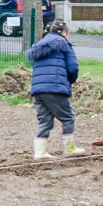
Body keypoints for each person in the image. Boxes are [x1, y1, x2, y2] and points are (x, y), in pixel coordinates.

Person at [26, 20, 80, 158]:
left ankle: (40, 152)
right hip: (55, 88)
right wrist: (70, 81)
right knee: (68, 117)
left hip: (37, 89)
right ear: (64, 33)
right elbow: (73, 67)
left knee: (45, 120)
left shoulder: (38, 46)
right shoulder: (64, 44)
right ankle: (70, 148)